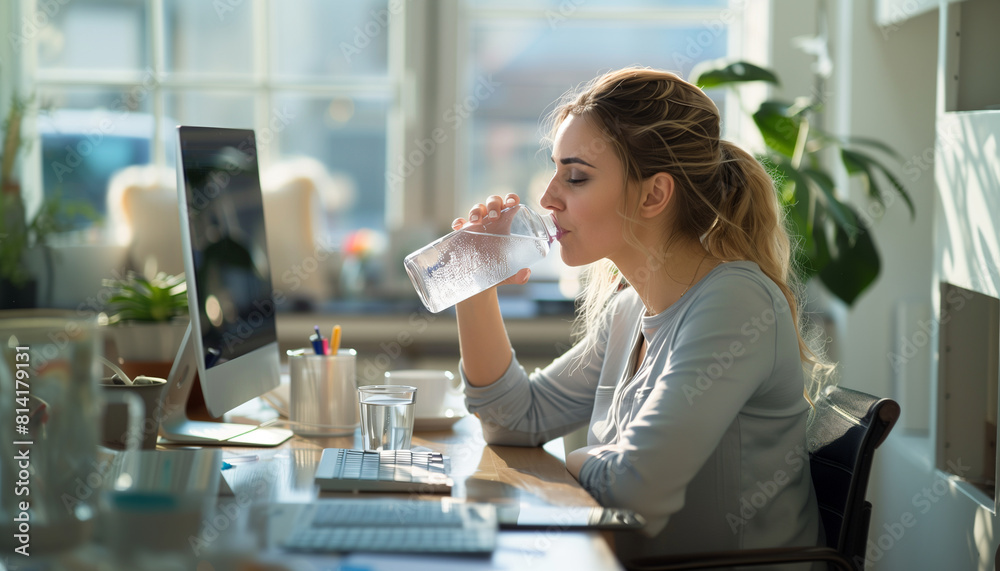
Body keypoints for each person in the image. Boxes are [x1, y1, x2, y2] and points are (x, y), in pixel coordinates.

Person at [452, 66, 825, 566]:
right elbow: (515, 420)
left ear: (653, 195)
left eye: (576, 176)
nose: (546, 199)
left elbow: (635, 495)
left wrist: (573, 461)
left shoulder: (736, 303)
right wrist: (473, 285)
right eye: (555, 169)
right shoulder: (629, 309)